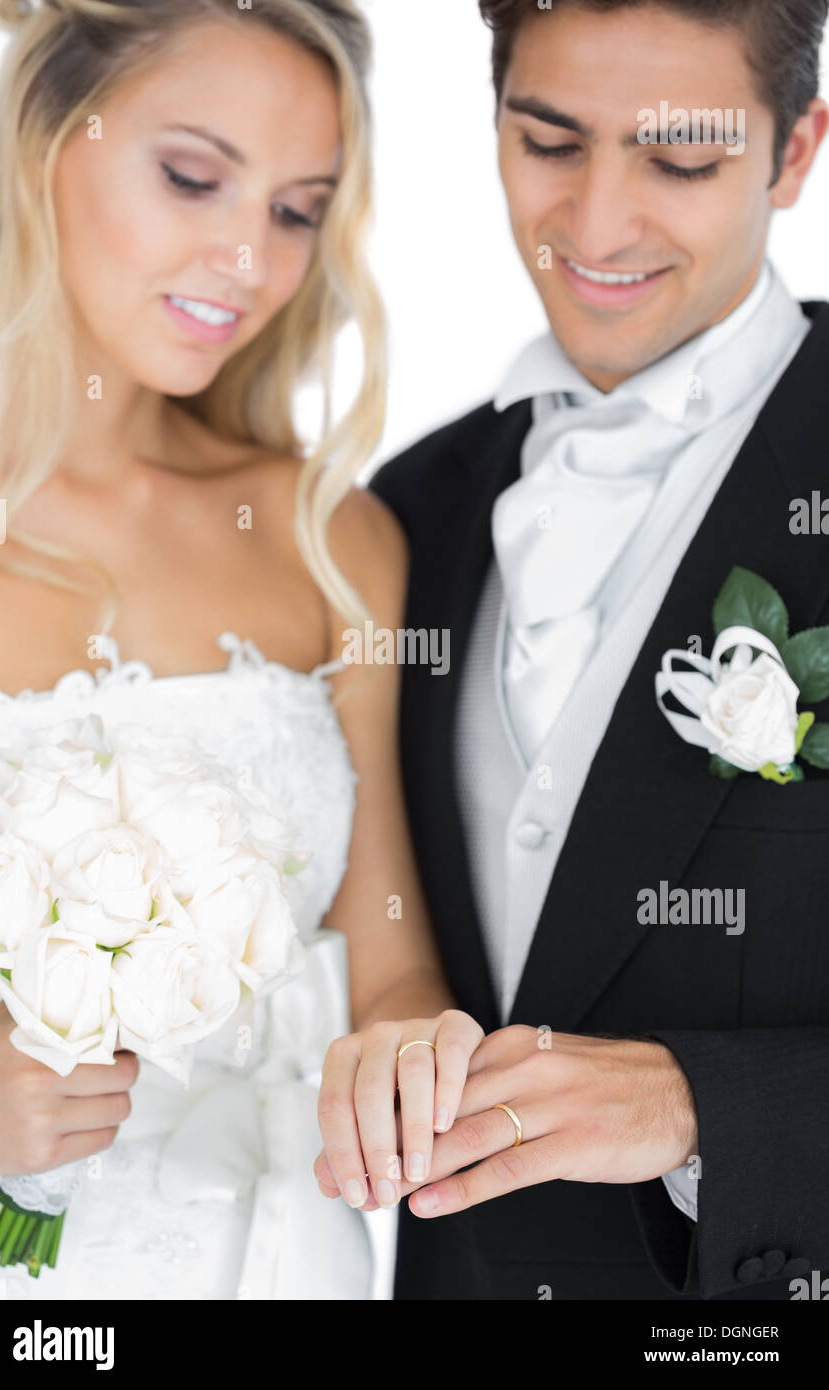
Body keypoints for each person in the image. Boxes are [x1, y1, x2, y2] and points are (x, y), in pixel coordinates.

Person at [317, 0, 829, 1300]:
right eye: (549, 142)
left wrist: (707, 1104)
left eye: (678, 161)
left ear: (794, 151)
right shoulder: (410, 511)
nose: (595, 227)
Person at [0, 0, 464, 1302]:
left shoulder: (331, 538)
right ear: (40, 138)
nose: (248, 257)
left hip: (275, 1256)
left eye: (298, 210)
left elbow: (387, 948)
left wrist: (409, 1051)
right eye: (193, 176)